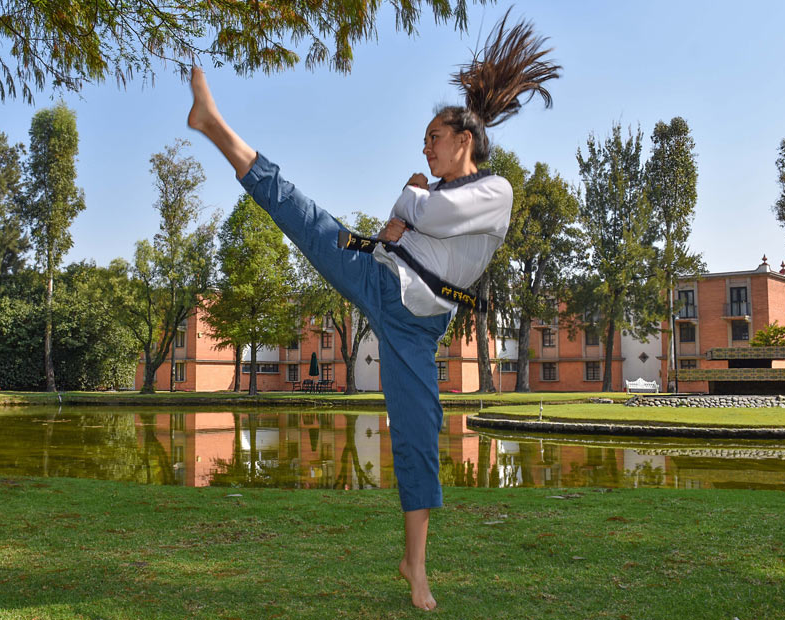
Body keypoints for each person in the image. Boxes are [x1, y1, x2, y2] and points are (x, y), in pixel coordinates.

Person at [187, 14, 559, 611]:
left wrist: (410, 196)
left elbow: (423, 219)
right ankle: (215, 125)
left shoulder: (497, 192)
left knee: (418, 432)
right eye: (424, 141)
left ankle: (415, 563)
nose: (426, 147)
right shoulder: (434, 192)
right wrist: (402, 216)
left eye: (433, 137)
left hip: (419, 325)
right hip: (377, 277)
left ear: (464, 139)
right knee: (300, 215)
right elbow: (395, 235)